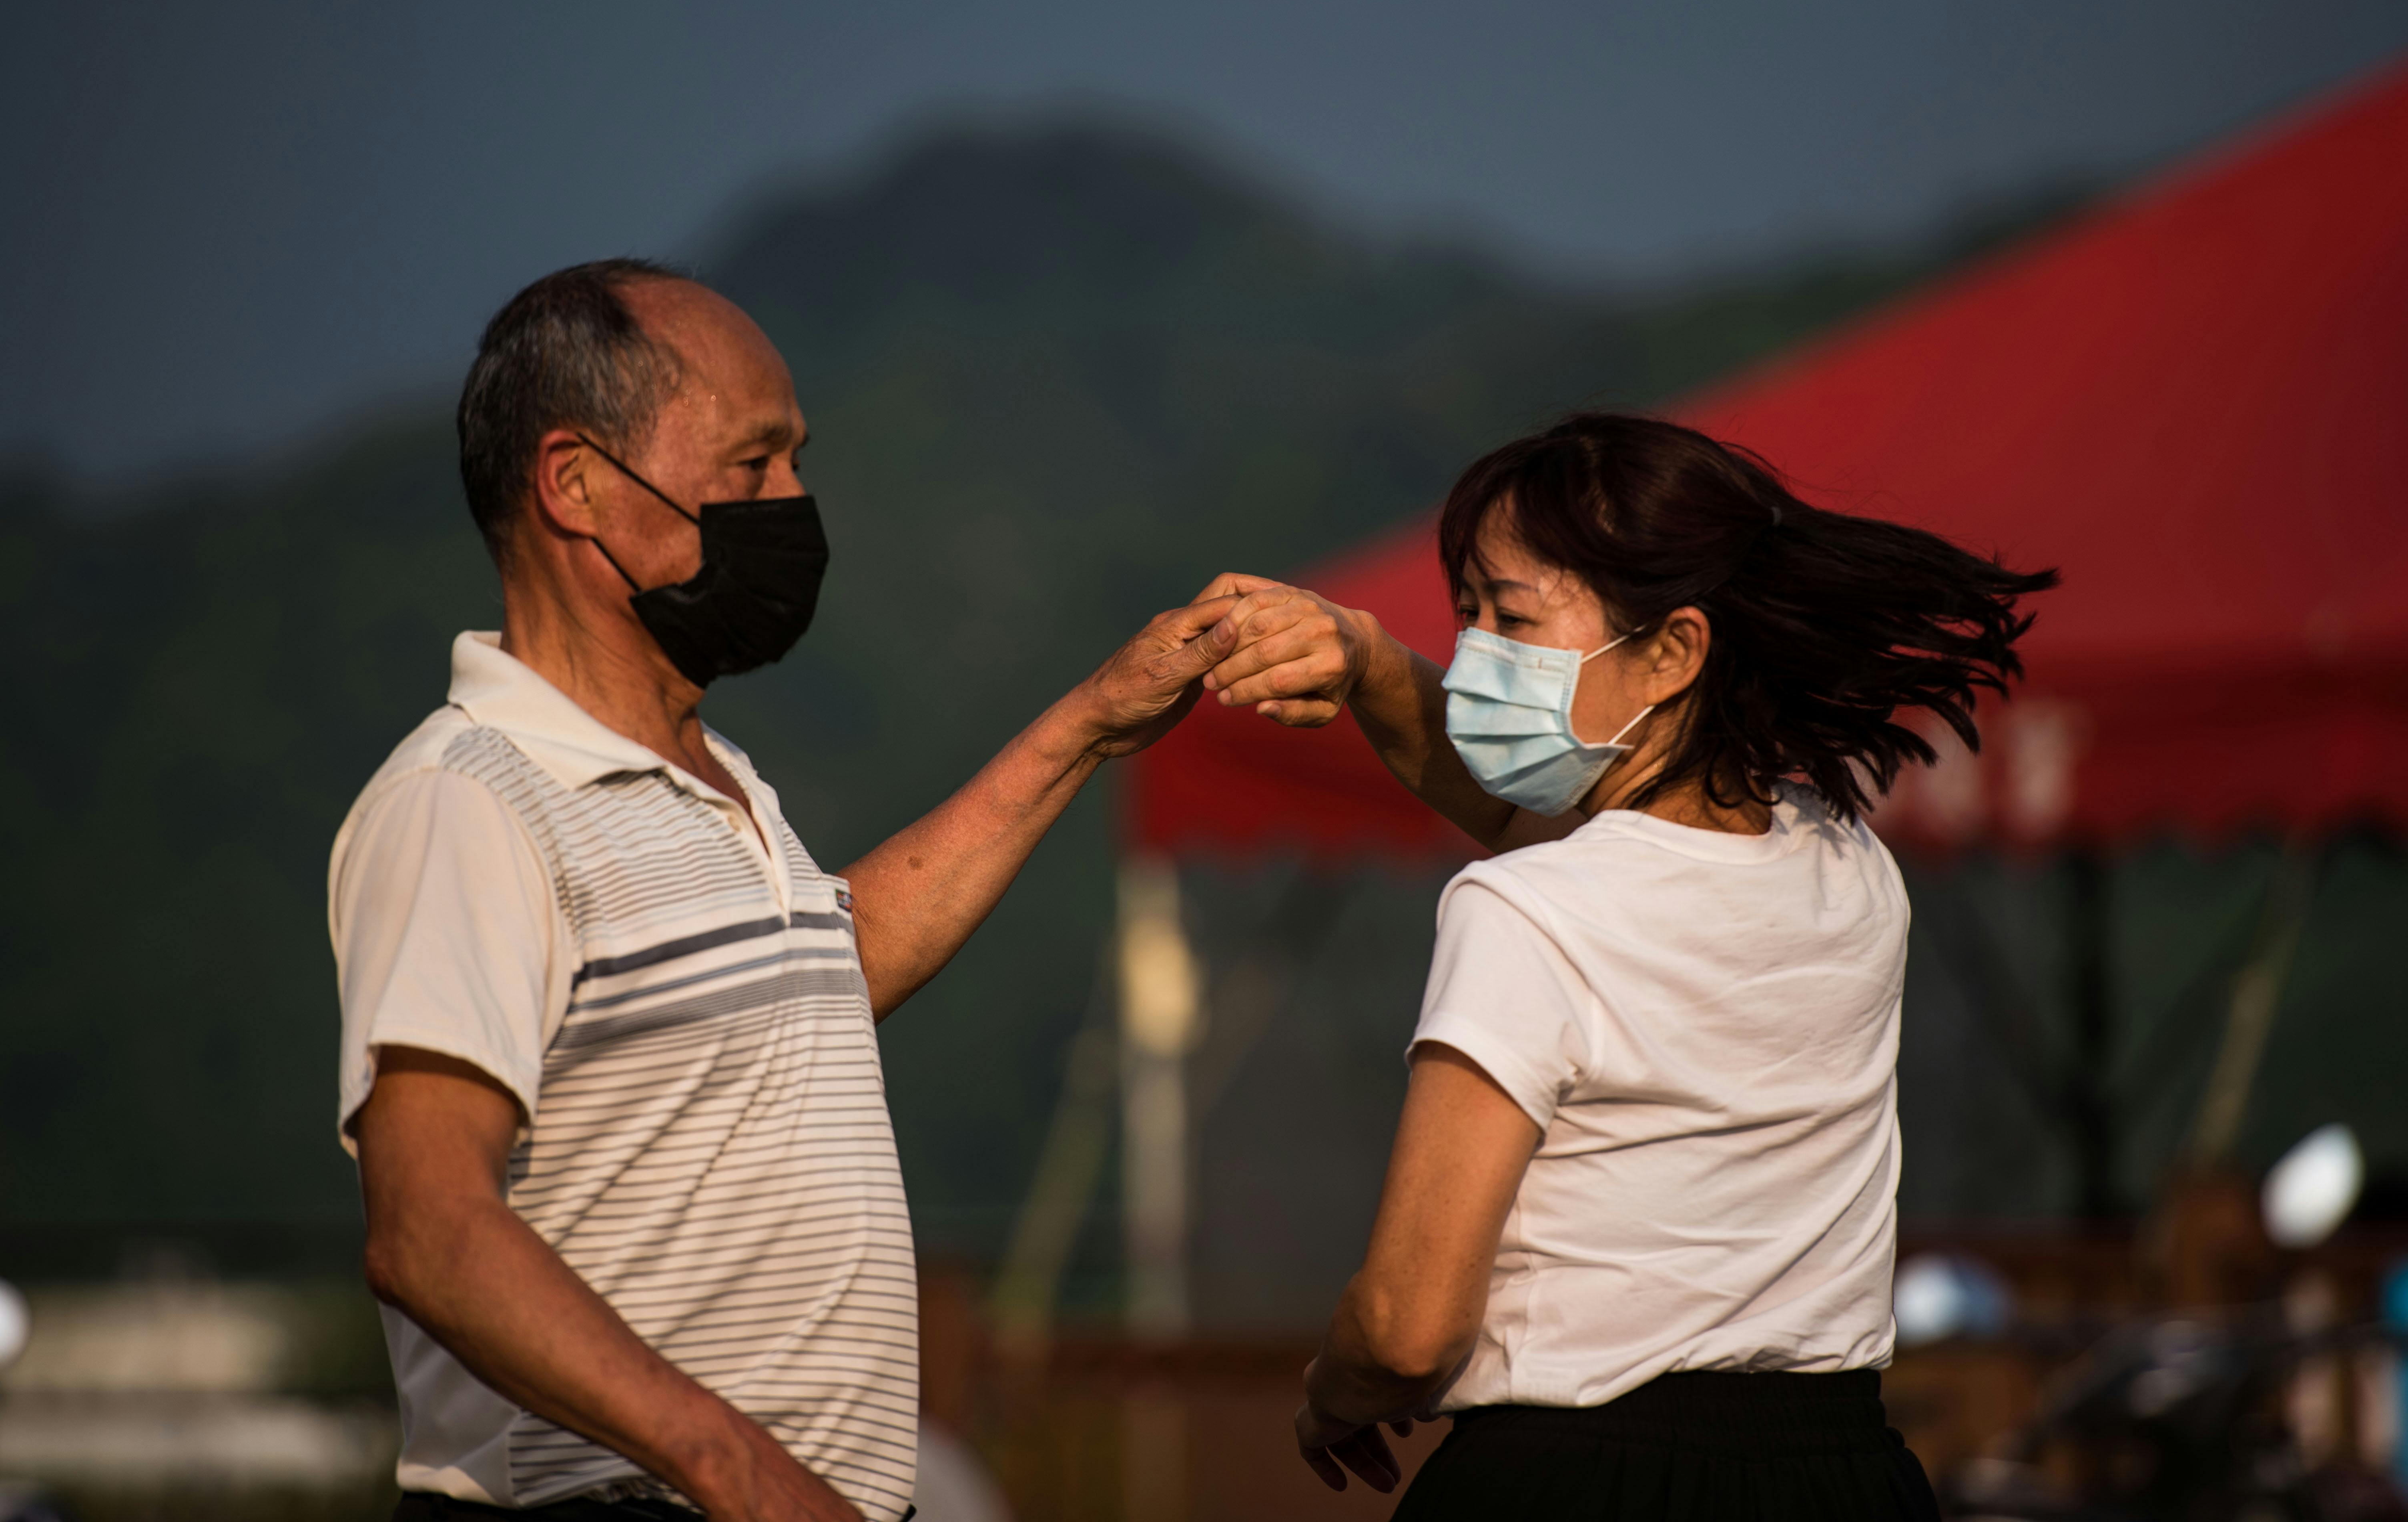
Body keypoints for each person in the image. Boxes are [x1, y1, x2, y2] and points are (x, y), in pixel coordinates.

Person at [331, 259, 1238, 1521]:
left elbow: (825, 974)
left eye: (797, 464)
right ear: (577, 485)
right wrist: (734, 1467)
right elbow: (427, 1229)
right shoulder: (468, 800)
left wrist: (1092, 722)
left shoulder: (721, 779)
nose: (794, 503)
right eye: (753, 465)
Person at [1195, 412, 2055, 1520]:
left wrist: (1335, 1391)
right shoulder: (1852, 872)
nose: (1475, 664)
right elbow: (1551, 826)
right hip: (1848, 1475)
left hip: (1575, 1481)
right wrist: (1366, 661)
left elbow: (1410, 1329)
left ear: (1674, 651)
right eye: (1467, 622)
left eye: (1511, 620)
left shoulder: (1526, 911)